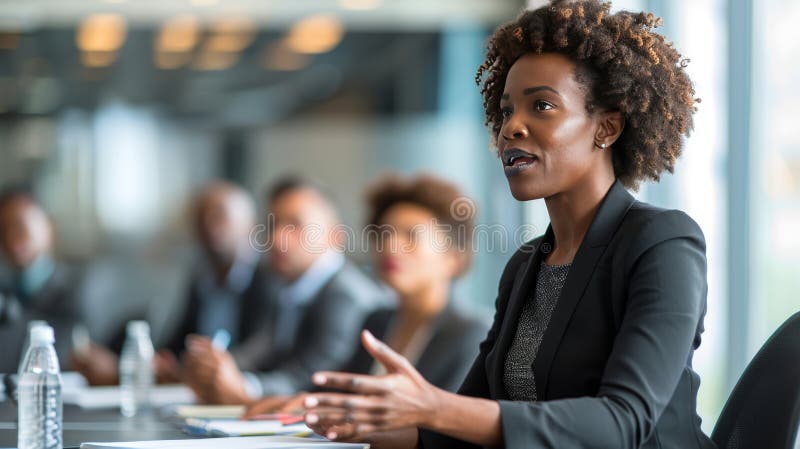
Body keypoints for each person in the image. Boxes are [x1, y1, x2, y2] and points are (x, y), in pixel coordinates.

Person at [302, 1, 716, 448]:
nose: (510, 128)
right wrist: (352, 426)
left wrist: (433, 406)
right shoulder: (525, 266)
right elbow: (462, 432)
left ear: (607, 128)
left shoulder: (663, 242)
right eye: (505, 112)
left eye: (541, 106)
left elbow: (622, 424)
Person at [244, 174, 489, 416]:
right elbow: (344, 399)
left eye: (411, 236)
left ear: (454, 257)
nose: (390, 246)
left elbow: (445, 427)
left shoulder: (471, 333)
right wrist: (305, 404)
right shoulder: (378, 320)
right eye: (384, 233)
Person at [183, 177, 384, 405]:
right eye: (273, 225)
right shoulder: (287, 288)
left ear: (334, 236)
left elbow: (314, 378)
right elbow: (264, 352)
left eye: (295, 225)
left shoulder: (345, 296)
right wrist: (214, 367)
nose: (278, 238)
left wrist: (244, 386)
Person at [72, 180, 270, 385]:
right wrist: (163, 362)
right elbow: (180, 342)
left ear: (250, 225)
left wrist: (190, 370)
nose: (209, 225)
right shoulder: (201, 280)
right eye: (201, 217)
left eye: (220, 215)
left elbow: (262, 352)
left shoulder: (269, 280)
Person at [0, 187, 83, 373]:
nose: (11, 239)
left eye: (20, 227)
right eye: (3, 231)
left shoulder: (79, 289)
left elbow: (67, 354)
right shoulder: (6, 291)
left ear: (48, 227)